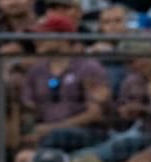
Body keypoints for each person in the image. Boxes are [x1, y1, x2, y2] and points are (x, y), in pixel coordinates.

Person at [21, 13, 112, 152]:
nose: (36, 40)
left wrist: (52, 128)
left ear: (63, 37)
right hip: (45, 130)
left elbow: (95, 114)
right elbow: (31, 108)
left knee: (57, 137)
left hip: (85, 133)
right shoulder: (36, 70)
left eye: (43, 35)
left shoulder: (88, 67)